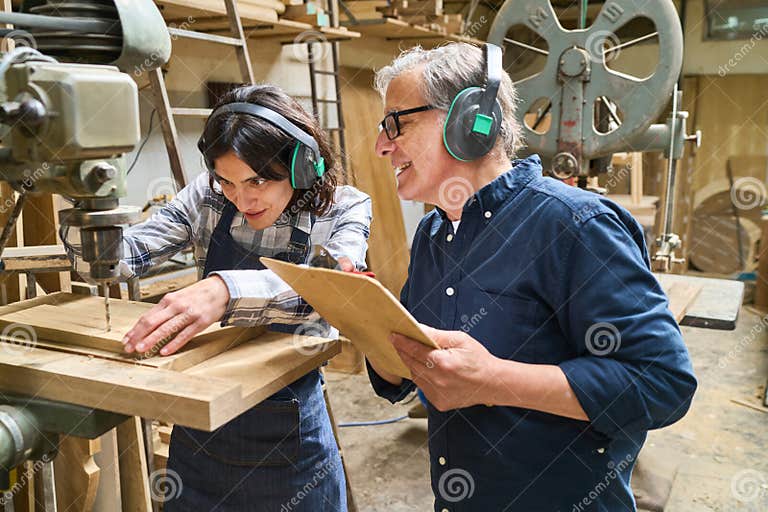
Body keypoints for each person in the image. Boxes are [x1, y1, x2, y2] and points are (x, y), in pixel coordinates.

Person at [367, 42, 697, 511]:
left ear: (470, 119)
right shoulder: (433, 233)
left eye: (397, 122)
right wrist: (369, 328)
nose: (382, 144)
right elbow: (408, 373)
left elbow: (662, 382)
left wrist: (494, 379)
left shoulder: (574, 226)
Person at [61, 84, 372, 511]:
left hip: (290, 440)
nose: (241, 199)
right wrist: (87, 213)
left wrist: (225, 290)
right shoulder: (206, 196)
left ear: (302, 165)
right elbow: (127, 258)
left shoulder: (344, 210)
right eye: (227, 180)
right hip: (201, 432)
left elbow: (328, 289)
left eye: (257, 181)